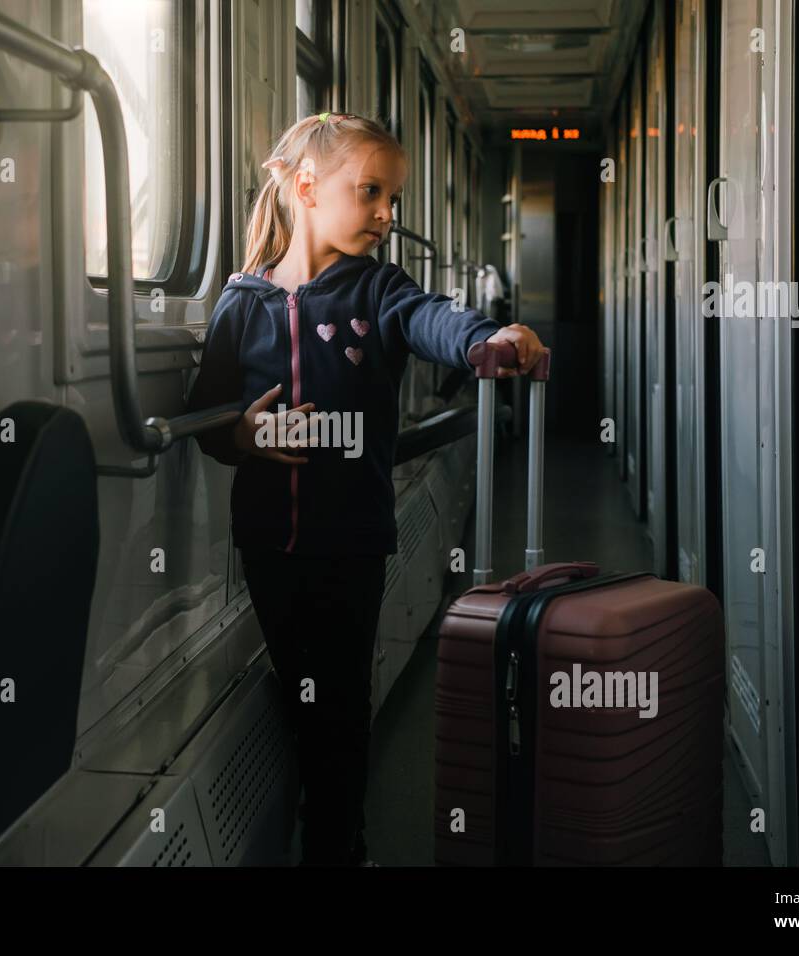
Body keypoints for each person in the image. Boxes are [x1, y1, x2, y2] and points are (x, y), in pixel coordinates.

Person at [185, 112, 544, 866]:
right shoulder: (239, 305)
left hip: (349, 542)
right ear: (307, 188)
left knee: (340, 706)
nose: (387, 213)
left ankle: (337, 847)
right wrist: (244, 437)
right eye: (371, 191)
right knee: (306, 696)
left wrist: (486, 338)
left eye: (394, 198)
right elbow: (209, 424)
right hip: (267, 546)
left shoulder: (379, 289)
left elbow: (432, 320)